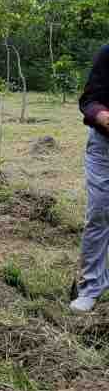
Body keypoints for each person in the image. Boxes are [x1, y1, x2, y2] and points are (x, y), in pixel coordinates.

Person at [72, 43, 109, 313]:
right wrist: (103, 115)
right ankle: (91, 287)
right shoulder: (107, 54)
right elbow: (89, 100)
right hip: (104, 147)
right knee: (99, 212)